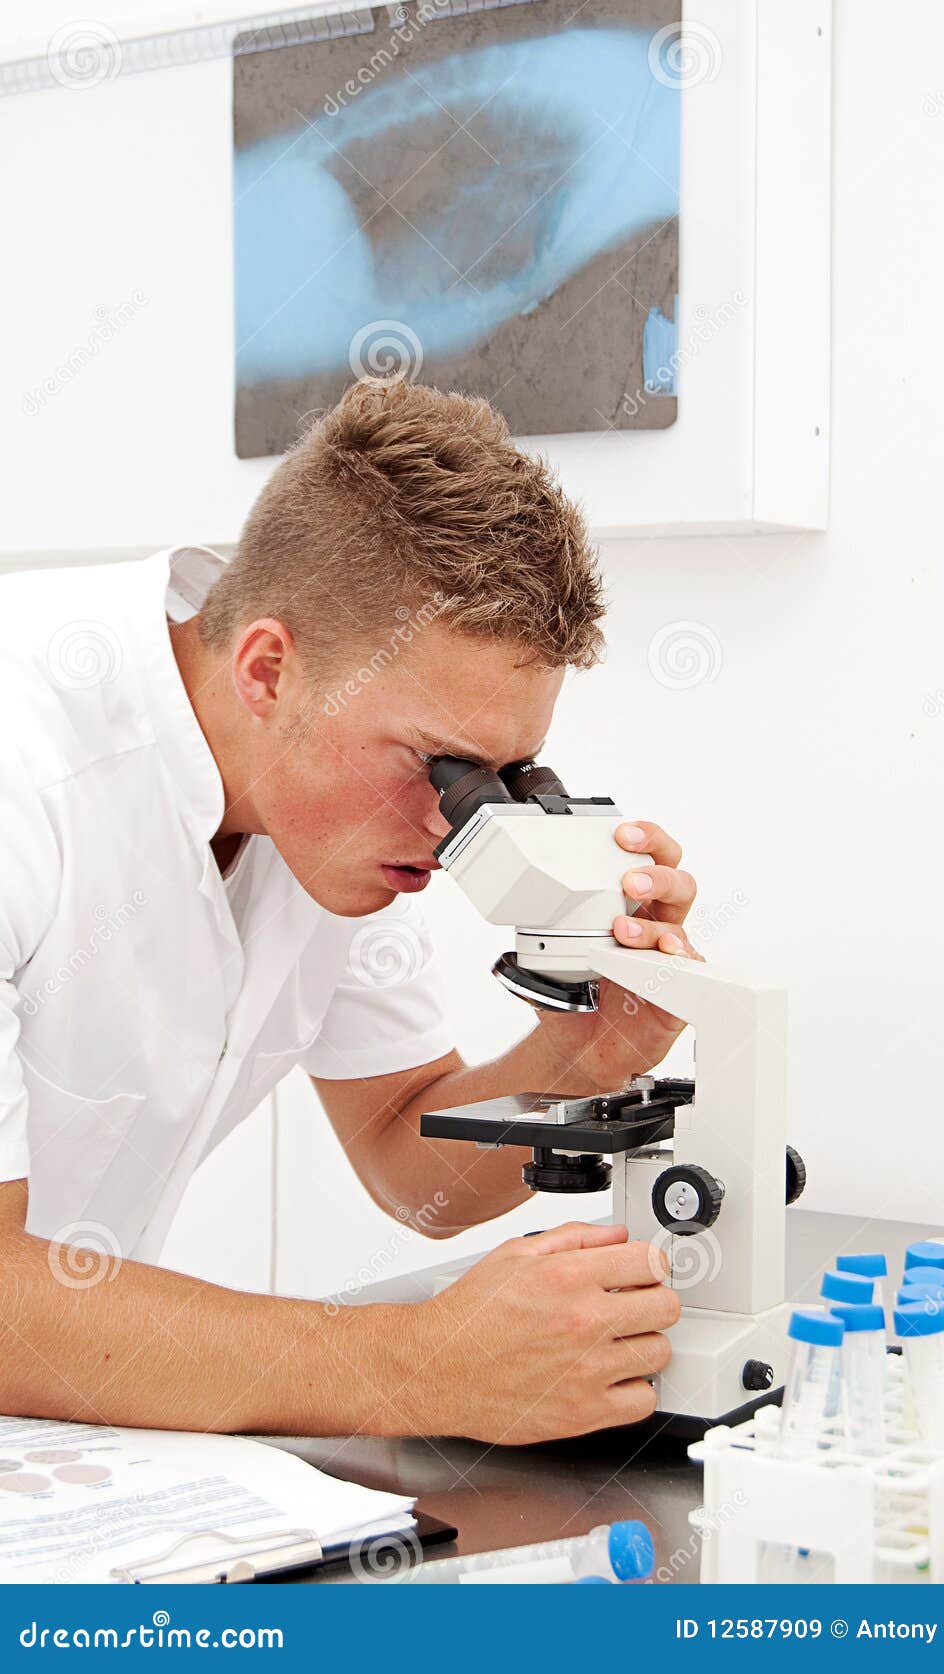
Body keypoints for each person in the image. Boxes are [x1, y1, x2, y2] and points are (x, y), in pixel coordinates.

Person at [0, 380, 703, 1445]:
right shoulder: (26, 766)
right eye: (437, 764)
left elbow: (406, 1155)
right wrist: (413, 1365)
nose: (456, 822)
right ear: (270, 668)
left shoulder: (324, 806)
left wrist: (577, 1060)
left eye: (500, 776)